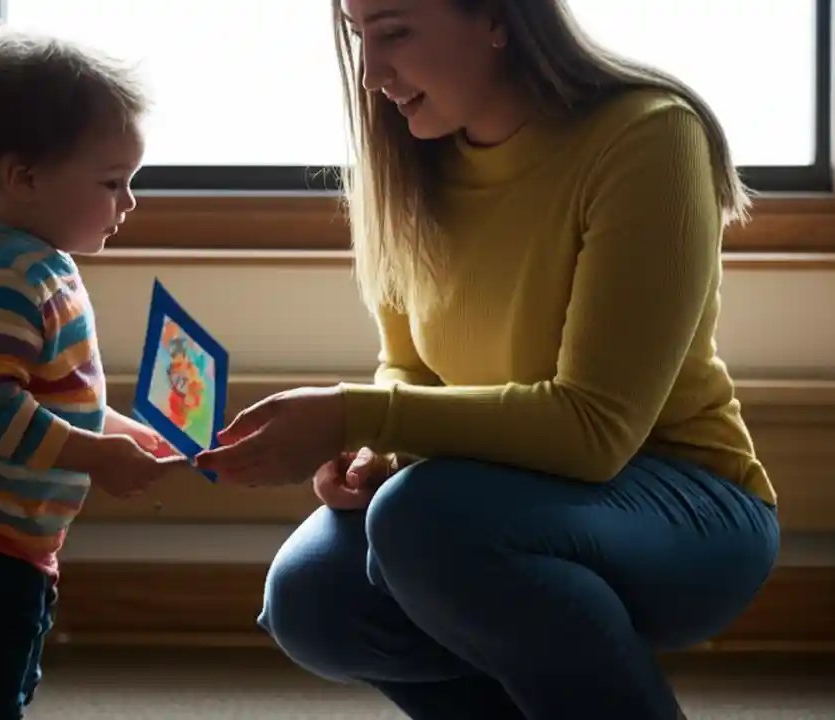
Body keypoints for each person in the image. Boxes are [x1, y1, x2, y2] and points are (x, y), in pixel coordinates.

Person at [194, 1, 780, 718]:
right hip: (495, 504)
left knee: (423, 522)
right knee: (312, 595)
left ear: (497, 16)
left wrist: (352, 414)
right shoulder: (409, 160)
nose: (371, 73)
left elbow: (593, 430)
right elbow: (407, 368)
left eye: (395, 31)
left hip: (687, 504)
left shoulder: (648, 136)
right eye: (358, 38)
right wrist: (374, 447)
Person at [0, 26, 188, 719]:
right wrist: (93, 457)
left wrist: (124, 434)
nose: (128, 203)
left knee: (6, 678)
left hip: (6, 537)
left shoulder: (41, 263)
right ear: (24, 178)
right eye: (113, 183)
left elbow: (59, 398)